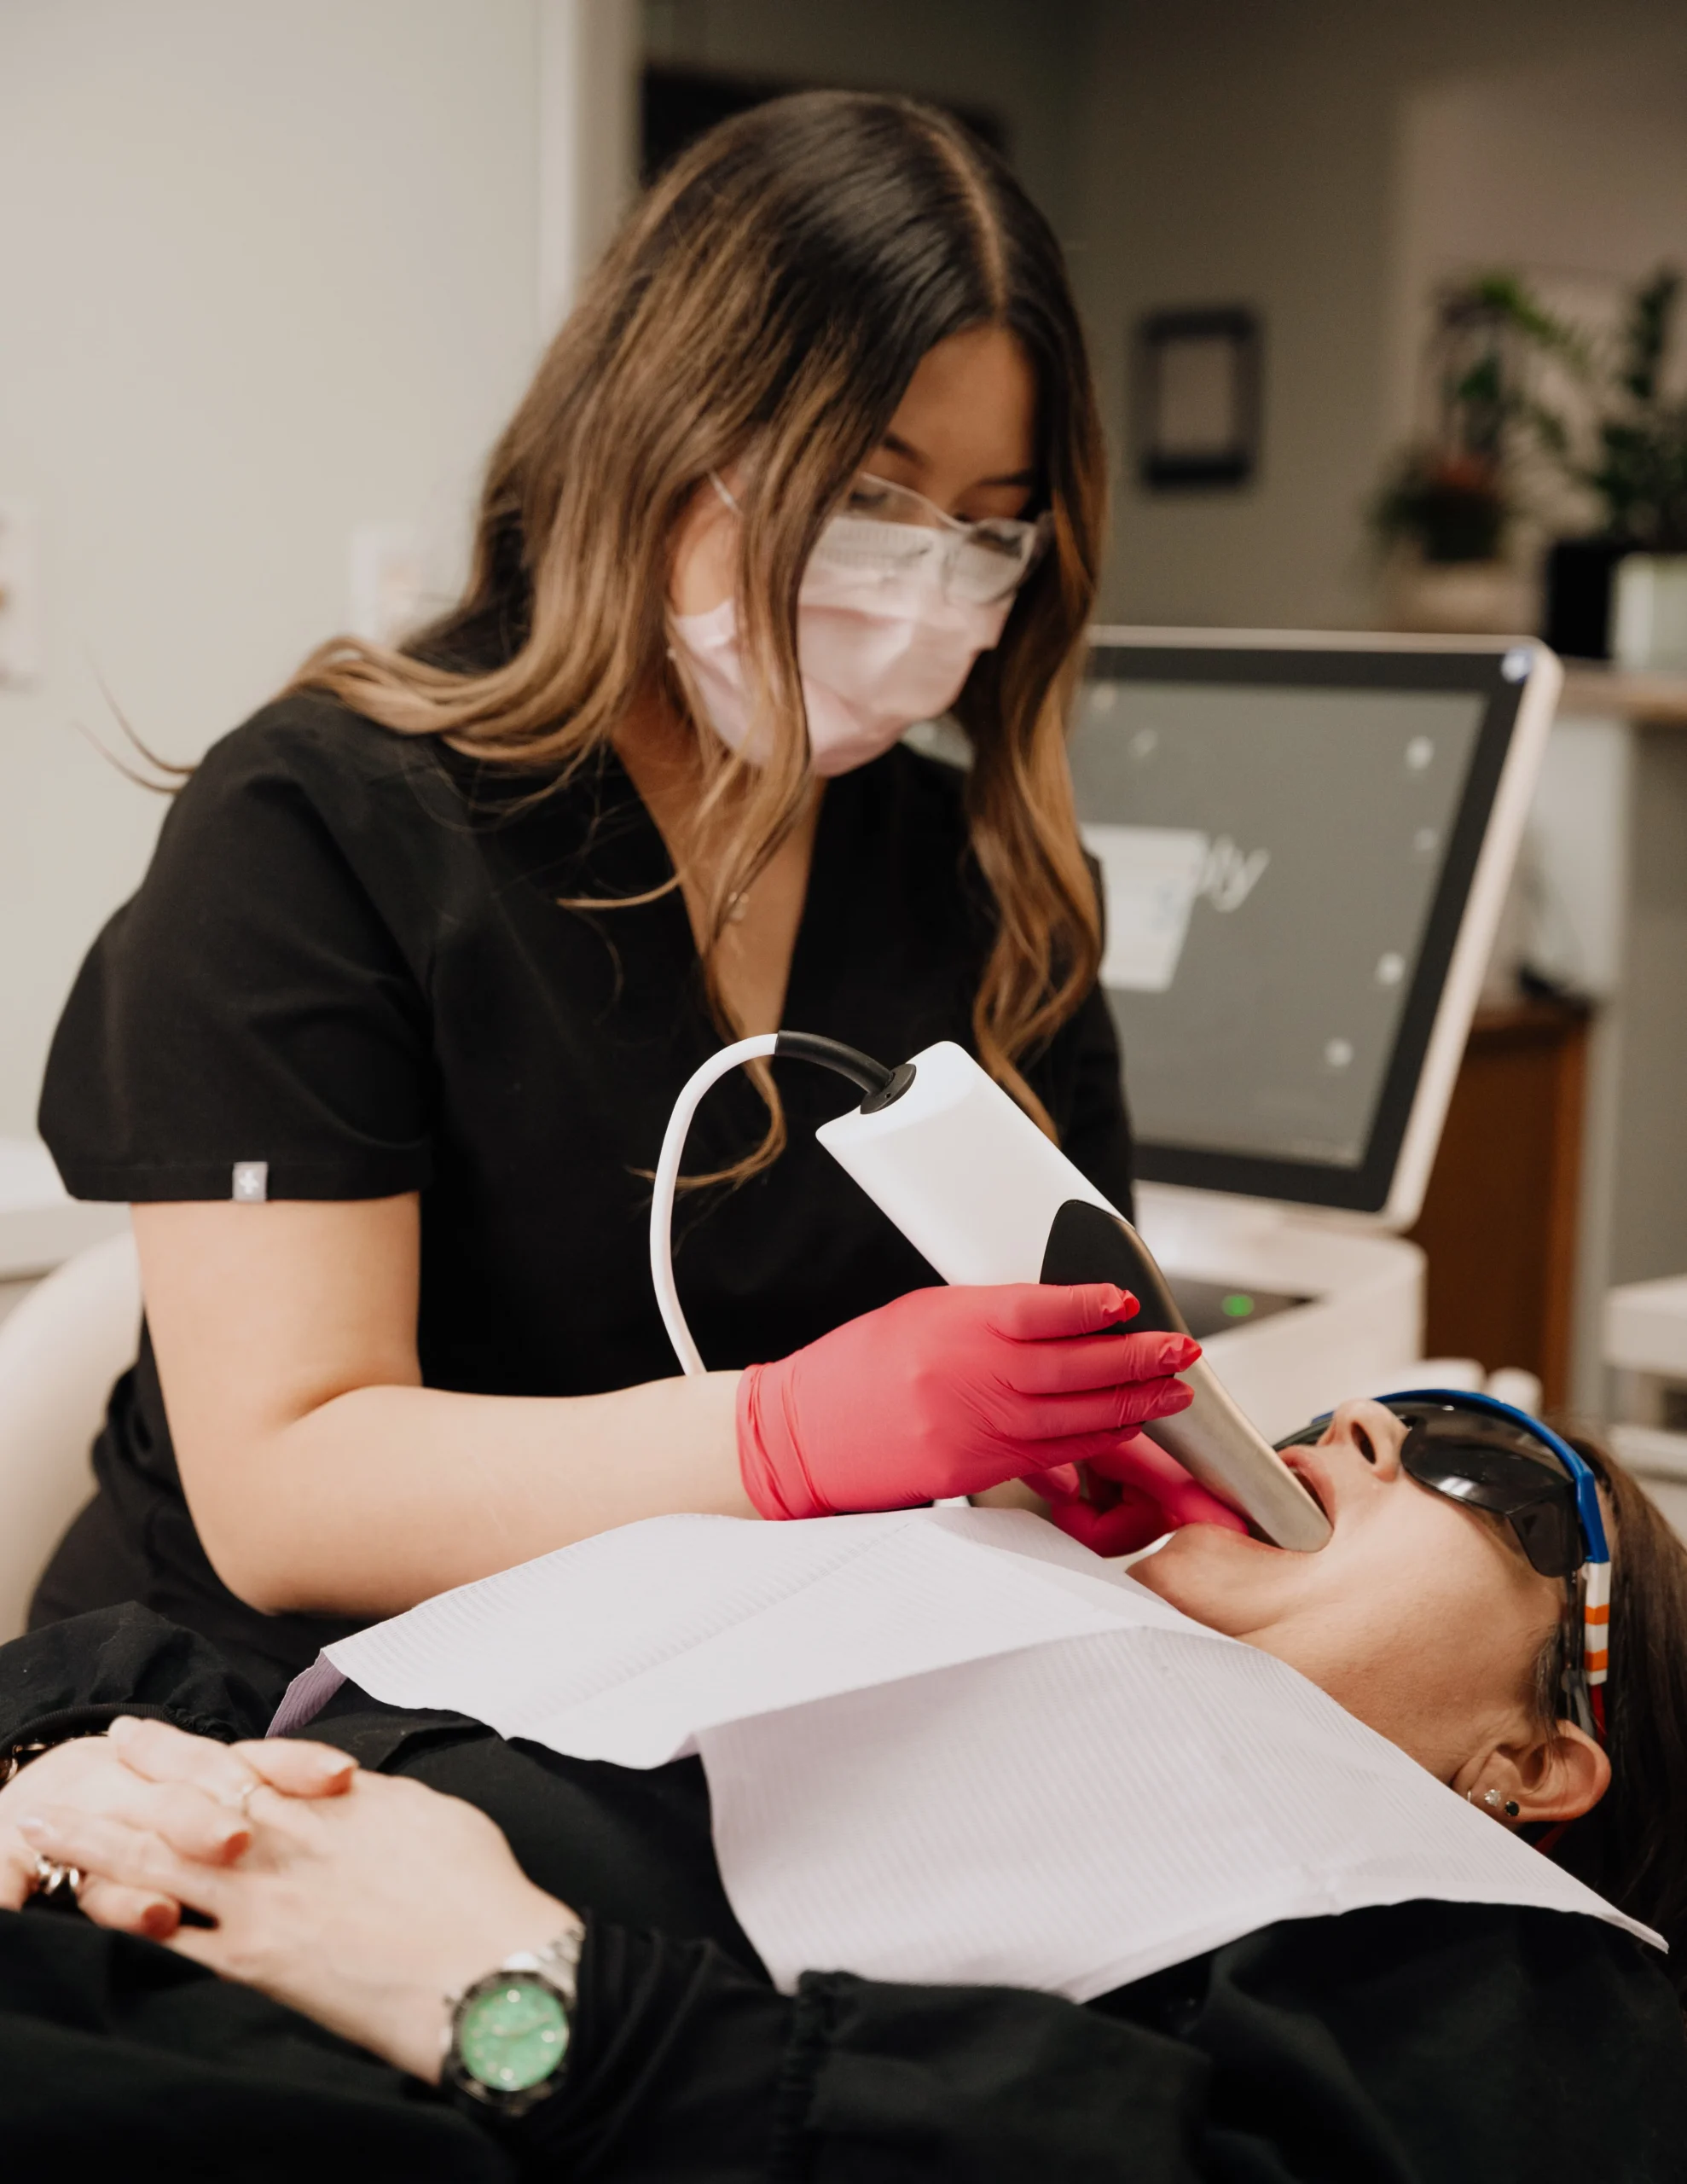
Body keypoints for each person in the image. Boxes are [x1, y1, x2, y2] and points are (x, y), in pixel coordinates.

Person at [27, 90, 1240, 1705]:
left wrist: (1082, 1455)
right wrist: (781, 1436)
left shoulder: (988, 885)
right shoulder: (316, 829)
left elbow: (1074, 1379)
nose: (928, 578)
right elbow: (283, 1492)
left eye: (990, 526)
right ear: (663, 430)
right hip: (274, 1718)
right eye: (871, 497)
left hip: (735, 1715)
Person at [3, 1397, 1686, 2178]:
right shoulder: (993, 1575)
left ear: (1533, 1762)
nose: (1366, 1432)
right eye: (1344, 1410)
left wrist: (538, 2003)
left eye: (1487, 1466)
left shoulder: (1488, 1956)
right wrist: (68, 1757)